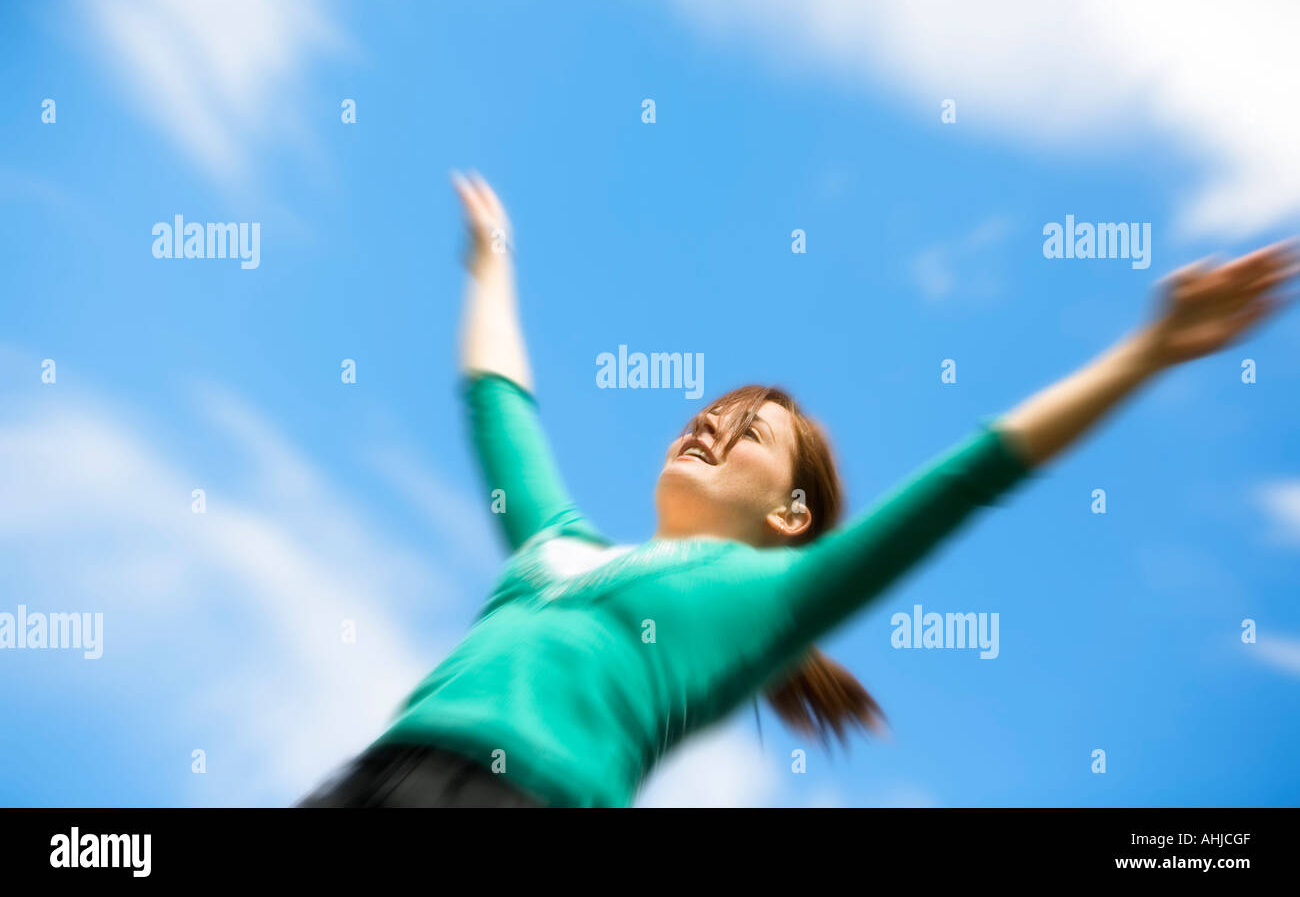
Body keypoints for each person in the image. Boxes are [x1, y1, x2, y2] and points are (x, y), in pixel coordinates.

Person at [298, 172, 1296, 808]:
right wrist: (491, 263)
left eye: (748, 433)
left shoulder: (757, 598)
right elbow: (498, 403)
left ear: (790, 516)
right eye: (710, 413)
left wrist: (1148, 350)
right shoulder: (547, 542)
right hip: (369, 778)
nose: (710, 424)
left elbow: (967, 478)